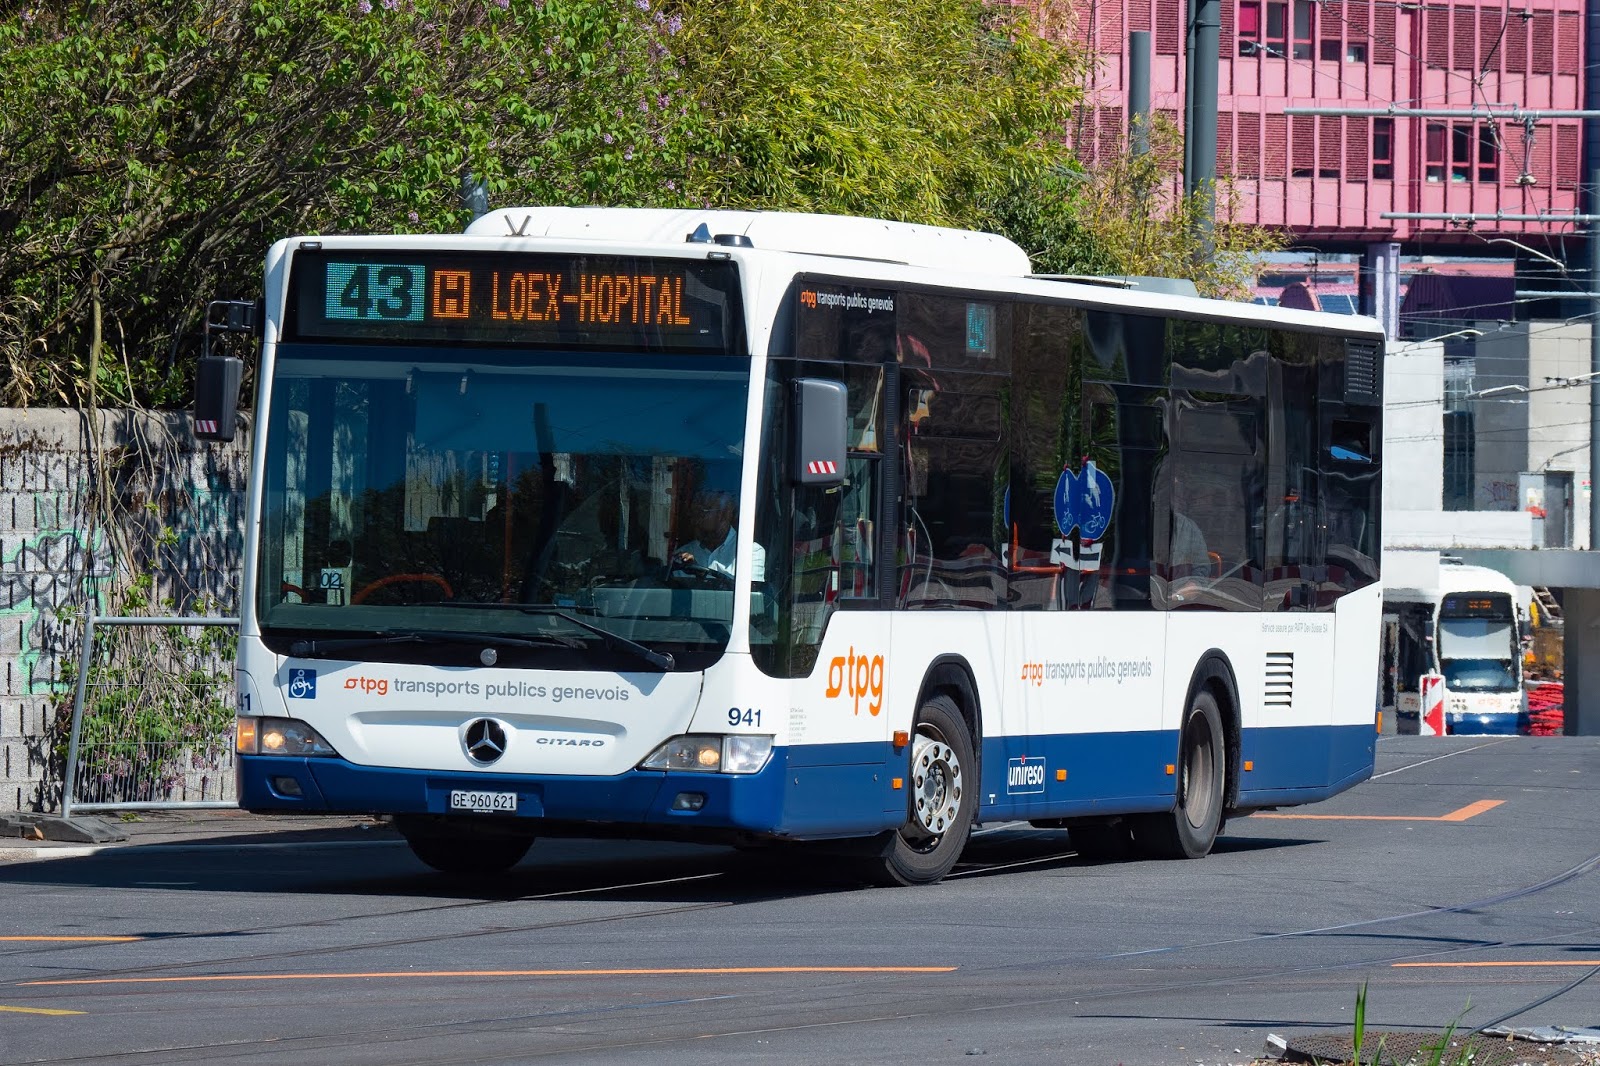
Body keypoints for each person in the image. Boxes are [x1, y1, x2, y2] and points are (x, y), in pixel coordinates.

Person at [675, 489, 765, 581]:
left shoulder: (750, 552)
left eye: (704, 511)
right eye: (694, 512)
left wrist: (700, 573)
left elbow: (748, 589)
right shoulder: (684, 554)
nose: (696, 519)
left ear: (724, 514)